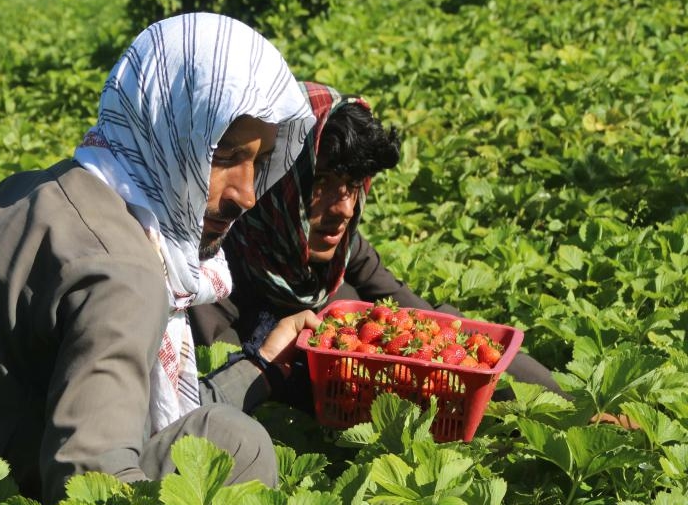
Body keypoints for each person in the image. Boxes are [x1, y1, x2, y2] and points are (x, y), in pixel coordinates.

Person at [0, 13, 322, 505]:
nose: (247, 194)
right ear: (170, 132)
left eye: (260, 159)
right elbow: (93, 493)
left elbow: (112, 401)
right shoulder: (124, 269)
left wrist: (260, 364)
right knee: (235, 444)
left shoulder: (34, 192)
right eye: (224, 155)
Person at [189, 81, 567, 400]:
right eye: (322, 184)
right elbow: (211, 393)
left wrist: (566, 404)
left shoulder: (343, 248)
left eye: (354, 186)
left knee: (350, 301)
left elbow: (435, 326)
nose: (345, 210)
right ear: (277, 176)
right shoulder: (212, 265)